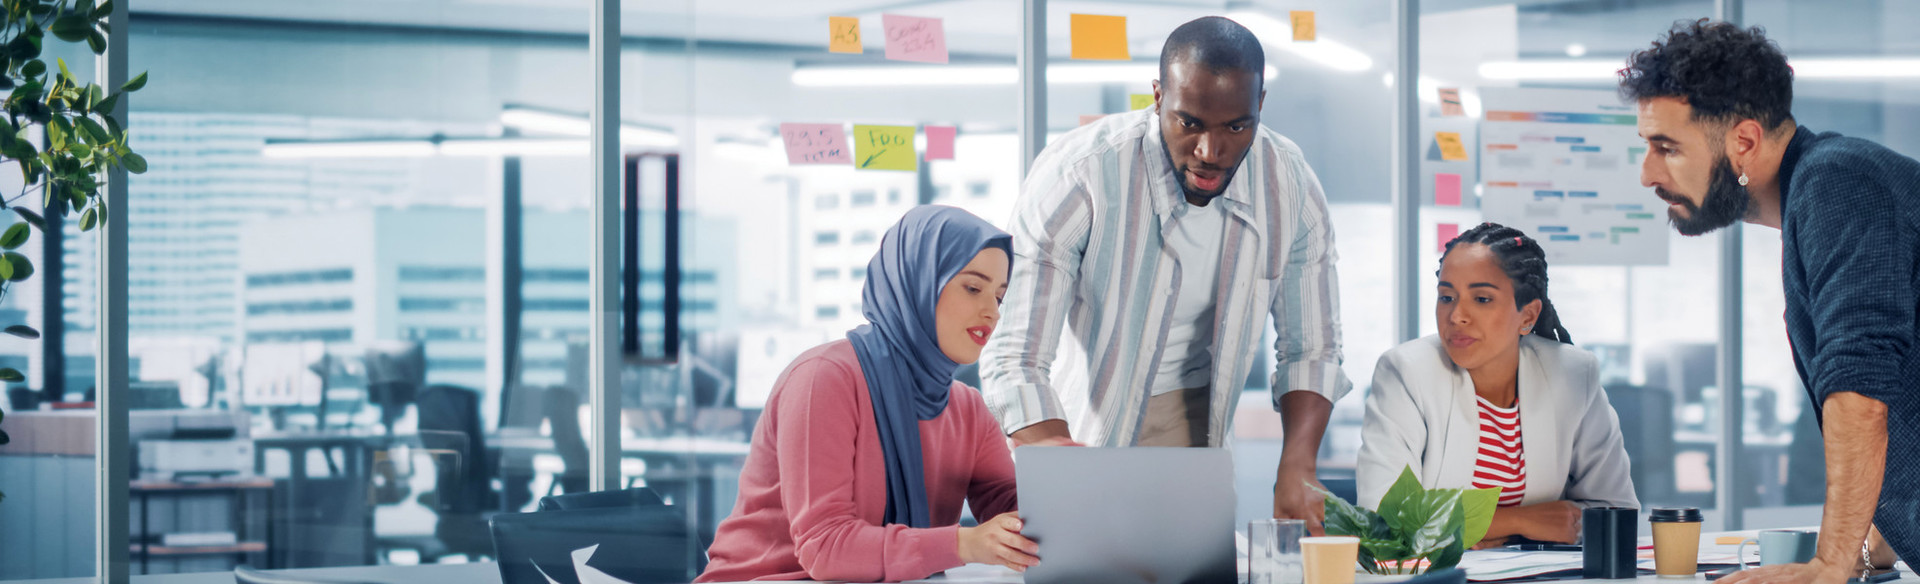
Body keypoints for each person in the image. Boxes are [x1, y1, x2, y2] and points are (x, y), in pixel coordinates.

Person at [978, 15, 1350, 532]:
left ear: (1260, 105)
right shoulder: (1080, 174)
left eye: (1235, 127)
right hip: (1080, 422)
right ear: (1158, 97)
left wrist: (1298, 466)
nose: (1210, 151)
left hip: (1202, 416)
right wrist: (1059, 463)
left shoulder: (1289, 186)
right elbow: (1015, 355)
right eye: (1189, 122)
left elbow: (1312, 348)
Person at [1619, 20, 1917, 583]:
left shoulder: (1837, 183)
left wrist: (1830, 563)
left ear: (1745, 142)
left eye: (1667, 147)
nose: (1647, 173)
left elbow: (1862, 386)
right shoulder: (1823, 190)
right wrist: (1873, 543)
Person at [697, 206, 1035, 583]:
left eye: (1000, 297)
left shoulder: (967, 409)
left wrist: (1061, 489)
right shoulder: (825, 378)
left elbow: (1018, 515)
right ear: (918, 282)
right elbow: (825, 548)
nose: (992, 312)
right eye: (973, 288)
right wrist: (965, 544)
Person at [1357, 224, 1637, 548]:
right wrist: (1522, 521)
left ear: (1528, 315)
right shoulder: (1406, 373)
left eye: (1482, 299)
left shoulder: (1573, 376)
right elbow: (1385, 520)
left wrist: (1476, 528)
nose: (1457, 315)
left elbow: (1617, 513)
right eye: (1446, 297)